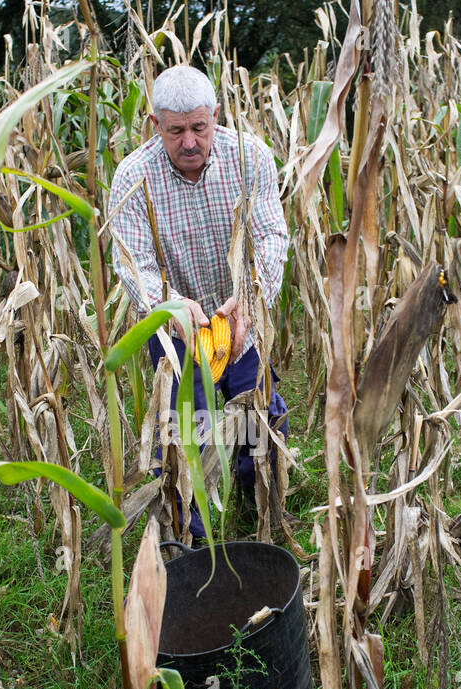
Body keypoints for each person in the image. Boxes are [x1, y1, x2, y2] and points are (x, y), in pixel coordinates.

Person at [107, 65, 289, 541]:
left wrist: (250, 297)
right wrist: (168, 305)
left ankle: (260, 509)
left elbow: (272, 236)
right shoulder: (133, 176)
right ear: (154, 125)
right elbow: (133, 263)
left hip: (241, 322)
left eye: (199, 128)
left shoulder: (250, 158)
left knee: (262, 424)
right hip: (177, 336)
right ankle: (190, 535)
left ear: (217, 115)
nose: (189, 142)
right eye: (176, 131)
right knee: (189, 436)